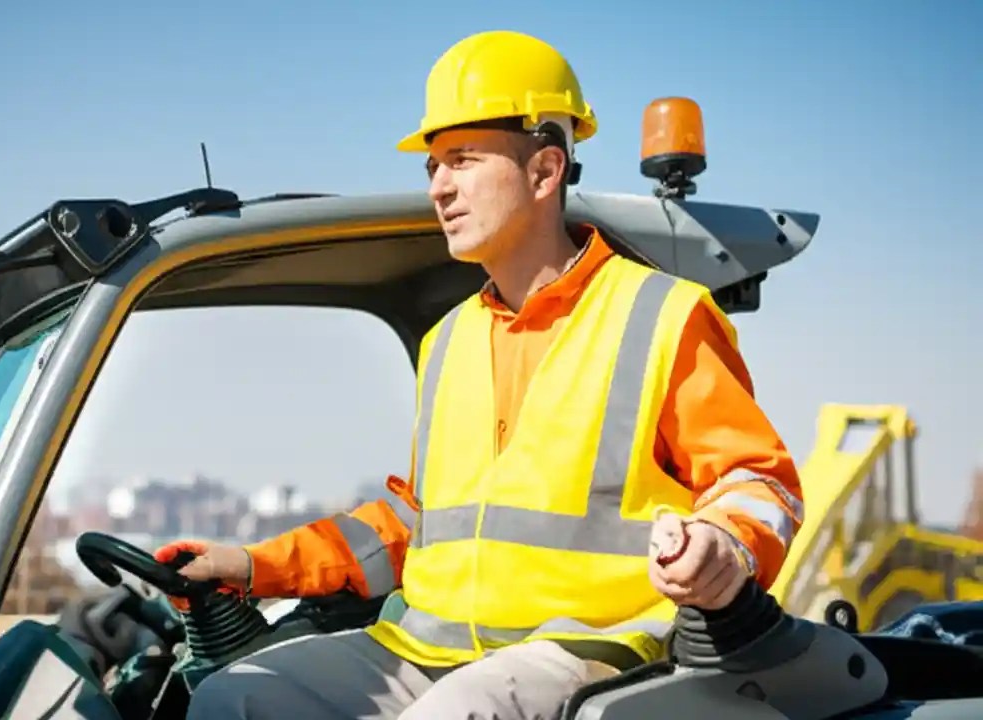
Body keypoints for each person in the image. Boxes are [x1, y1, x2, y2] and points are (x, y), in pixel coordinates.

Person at [155, 29, 806, 720]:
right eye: (433, 165)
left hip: (584, 651)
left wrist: (725, 546)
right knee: (236, 696)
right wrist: (253, 567)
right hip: (428, 649)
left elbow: (758, 483)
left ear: (545, 170)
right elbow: (414, 521)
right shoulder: (448, 340)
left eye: (462, 160)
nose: (439, 187)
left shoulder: (662, 316)